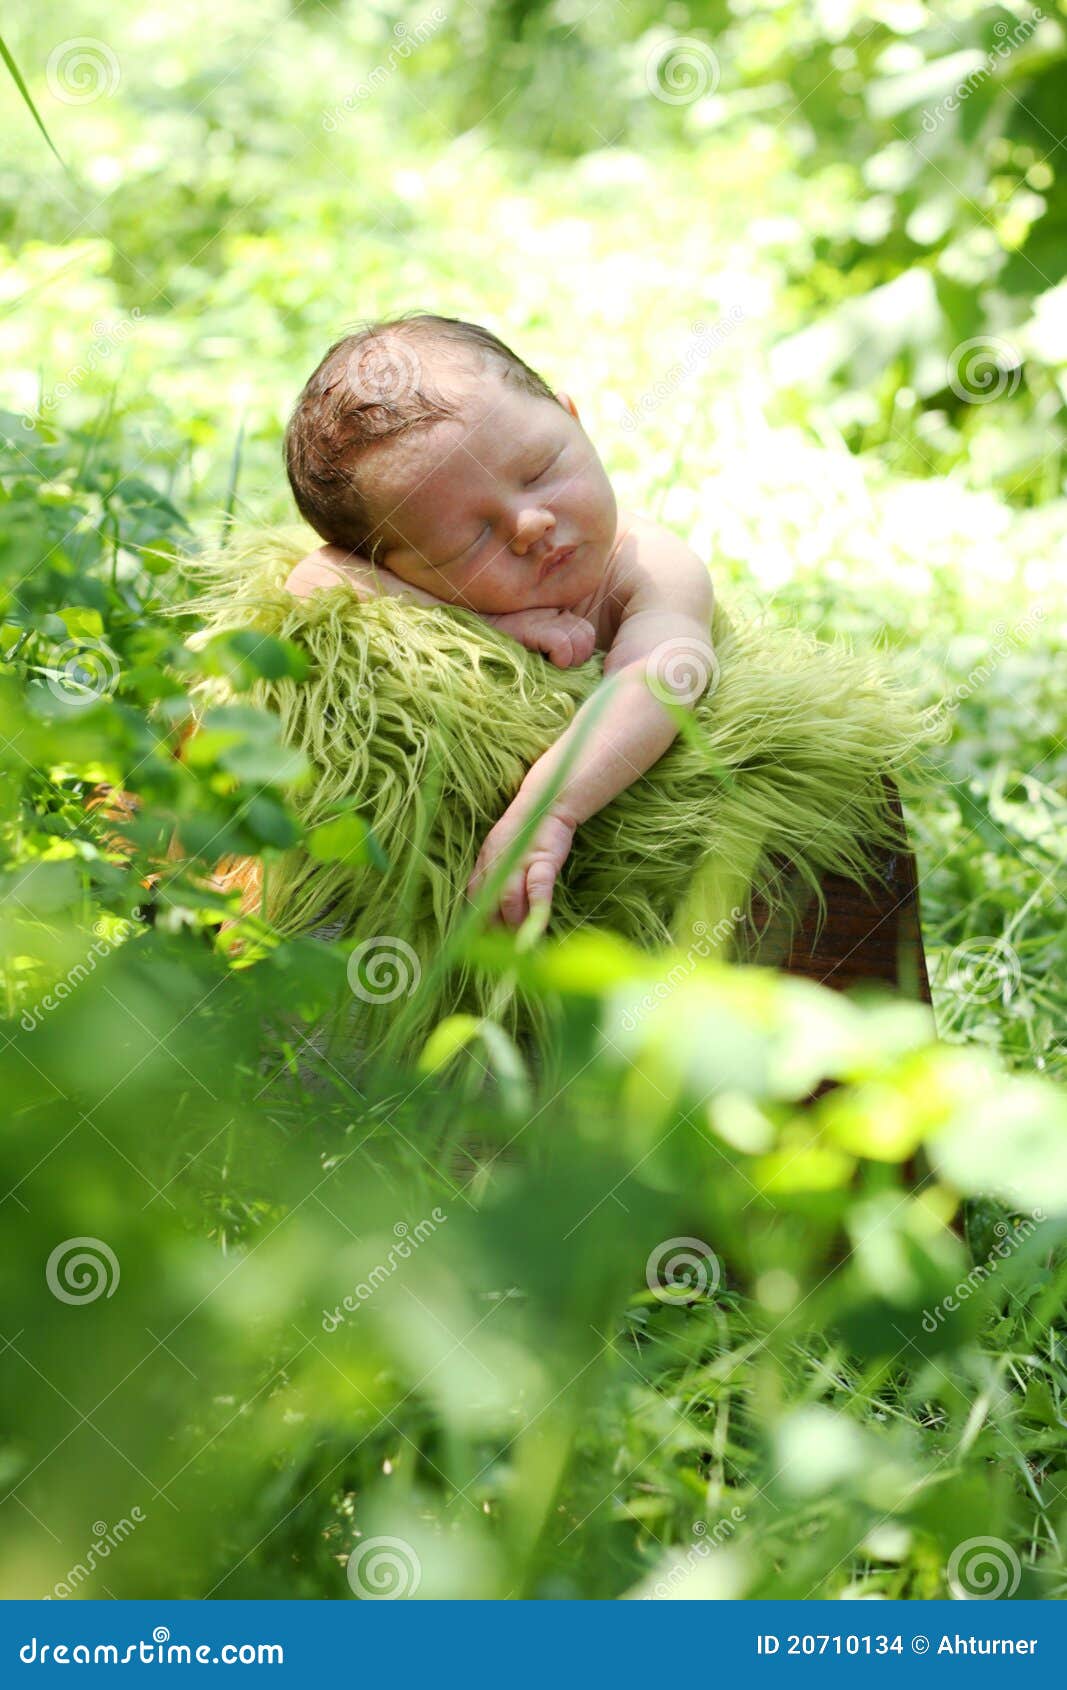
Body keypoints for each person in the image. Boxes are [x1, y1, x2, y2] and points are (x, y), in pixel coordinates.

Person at [283, 312, 715, 928]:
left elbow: (665, 675)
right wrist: (473, 628)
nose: (530, 524)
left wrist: (547, 815)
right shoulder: (413, 579)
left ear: (572, 417)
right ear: (394, 563)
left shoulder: (647, 566)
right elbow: (309, 579)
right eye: (471, 538)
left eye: (540, 471)